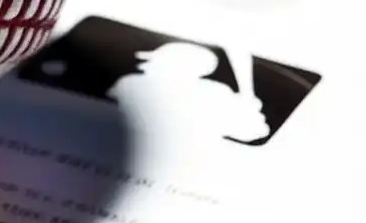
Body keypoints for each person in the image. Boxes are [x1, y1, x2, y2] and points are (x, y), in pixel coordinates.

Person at [107, 42, 270, 145]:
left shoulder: (215, 94)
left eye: (158, 61)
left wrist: (248, 112)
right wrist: (247, 109)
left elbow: (252, 133)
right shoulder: (132, 84)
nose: (148, 64)